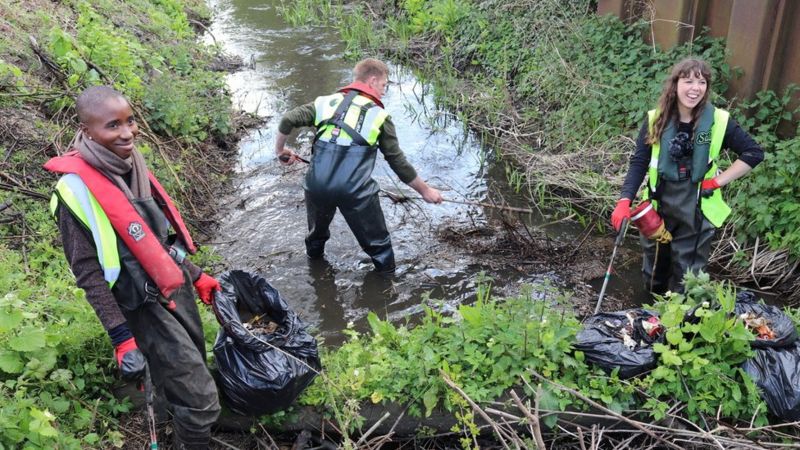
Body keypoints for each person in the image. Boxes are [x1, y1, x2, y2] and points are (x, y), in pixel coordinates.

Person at [44, 86, 221, 449]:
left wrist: (196, 274)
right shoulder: (73, 192)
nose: (127, 133)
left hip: (175, 289)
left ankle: (179, 425)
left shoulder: (131, 166)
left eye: (130, 121)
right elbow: (89, 274)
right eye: (113, 126)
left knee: (187, 375)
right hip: (142, 308)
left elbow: (157, 243)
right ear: (87, 130)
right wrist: (122, 338)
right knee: (202, 401)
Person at [275, 58, 443, 274]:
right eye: (384, 85)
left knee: (316, 238)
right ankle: (385, 289)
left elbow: (287, 119)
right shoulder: (379, 116)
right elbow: (397, 161)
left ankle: (316, 275)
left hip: (316, 186)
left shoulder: (325, 103)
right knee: (379, 246)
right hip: (355, 191)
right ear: (372, 81)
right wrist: (425, 190)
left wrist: (281, 151)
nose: (383, 92)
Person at [611, 58, 763, 294]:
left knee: (689, 279)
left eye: (701, 82)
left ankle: (684, 327)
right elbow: (639, 162)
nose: (695, 88)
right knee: (654, 276)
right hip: (658, 207)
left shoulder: (719, 122)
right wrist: (624, 200)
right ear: (675, 84)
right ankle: (650, 323)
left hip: (696, 210)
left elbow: (754, 153)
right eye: (688, 80)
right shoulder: (655, 119)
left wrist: (716, 181)